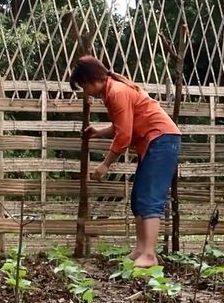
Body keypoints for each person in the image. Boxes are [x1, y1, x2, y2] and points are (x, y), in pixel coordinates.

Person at [69, 55, 181, 268]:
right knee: (139, 197)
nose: (85, 91)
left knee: (150, 196)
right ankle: (140, 249)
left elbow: (124, 137)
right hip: (155, 141)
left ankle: (149, 255)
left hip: (162, 139)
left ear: (93, 79)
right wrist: (99, 132)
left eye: (84, 85)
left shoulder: (117, 92)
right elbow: (124, 123)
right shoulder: (112, 91)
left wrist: (105, 164)